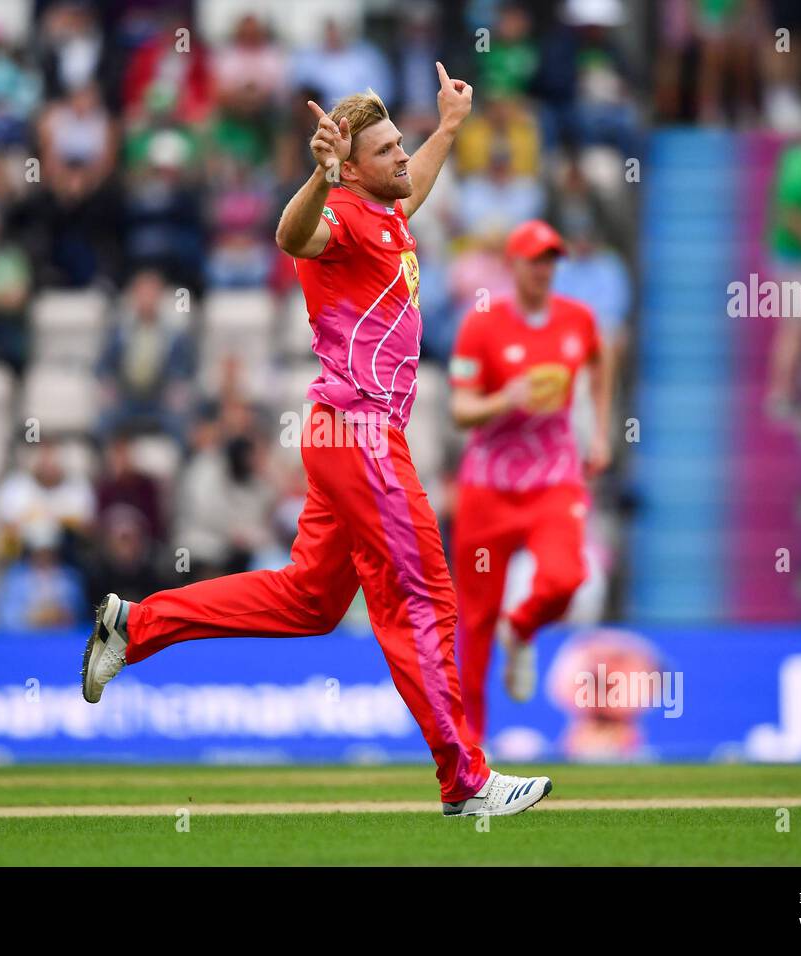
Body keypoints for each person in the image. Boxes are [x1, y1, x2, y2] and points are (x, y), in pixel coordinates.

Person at [78, 64, 551, 818]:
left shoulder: (388, 211)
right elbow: (290, 234)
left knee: (309, 600)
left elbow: (416, 184)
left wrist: (450, 126)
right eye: (389, 149)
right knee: (423, 595)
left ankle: (135, 625)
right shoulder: (336, 217)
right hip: (358, 432)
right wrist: (316, 175)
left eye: (402, 143)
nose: (404, 156)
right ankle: (465, 782)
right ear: (353, 167)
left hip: (344, 436)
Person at [448, 220, 612, 742]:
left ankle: (520, 630)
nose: (543, 269)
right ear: (513, 265)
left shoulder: (577, 320)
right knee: (474, 622)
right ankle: (470, 755)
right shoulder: (481, 323)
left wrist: (601, 432)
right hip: (488, 485)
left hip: (554, 477)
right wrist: (505, 399)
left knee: (566, 578)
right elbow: (460, 409)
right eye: (534, 260)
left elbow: (599, 363)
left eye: (550, 260)